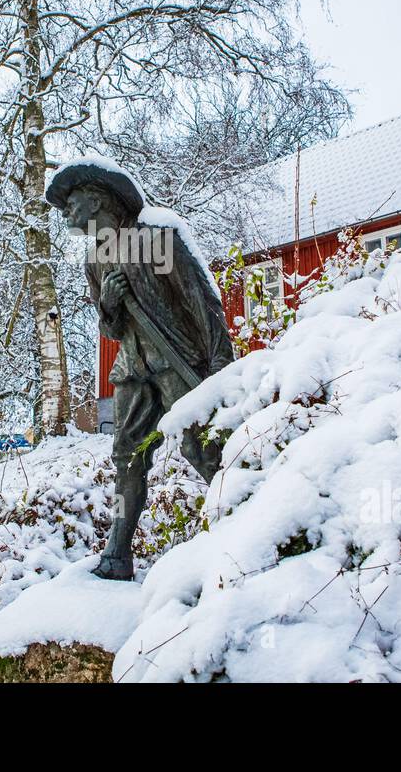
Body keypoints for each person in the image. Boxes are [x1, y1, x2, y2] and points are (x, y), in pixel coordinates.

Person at [46, 158, 234, 580]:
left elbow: (201, 300)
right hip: (133, 369)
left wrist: (222, 365)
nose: (67, 216)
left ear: (96, 200)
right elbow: (110, 328)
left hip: (176, 360)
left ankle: (243, 519)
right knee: (126, 460)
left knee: (199, 447)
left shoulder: (155, 237)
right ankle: (117, 549)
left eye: (71, 205)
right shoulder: (94, 261)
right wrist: (109, 304)